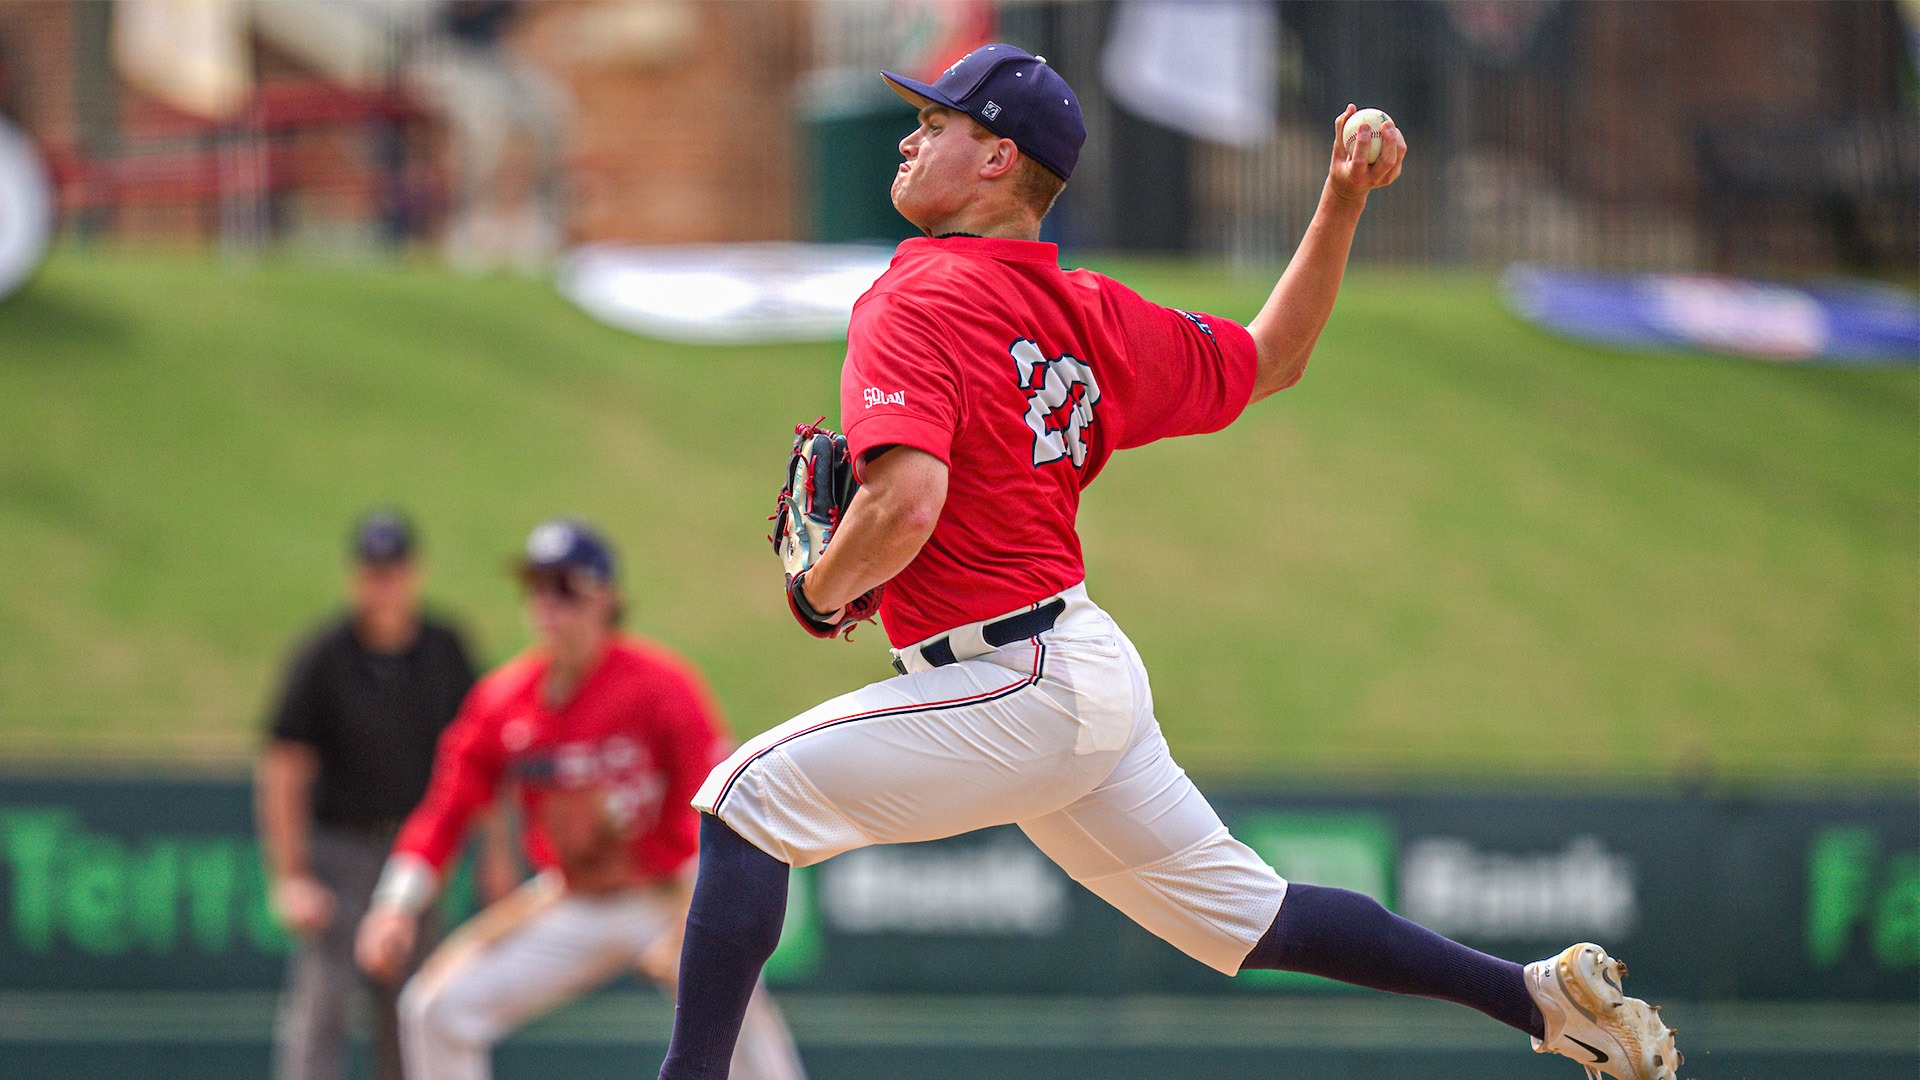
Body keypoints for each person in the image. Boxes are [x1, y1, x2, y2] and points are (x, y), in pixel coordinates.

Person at [657, 44, 1682, 1080]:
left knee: (745, 799)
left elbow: (906, 502)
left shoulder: (914, 296)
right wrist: (1339, 200)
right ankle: (1537, 1000)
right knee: (1252, 917)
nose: (912, 137)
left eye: (940, 123)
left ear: (998, 158)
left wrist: (819, 590)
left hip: (1011, 682)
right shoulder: (1088, 312)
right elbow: (1271, 359)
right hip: (1074, 665)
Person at [354, 519, 806, 1080]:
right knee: (434, 1009)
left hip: (668, 894)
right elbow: (446, 809)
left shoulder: (660, 684)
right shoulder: (506, 700)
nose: (548, 602)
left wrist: (704, 906)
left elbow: (723, 799)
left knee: (741, 1018)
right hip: (574, 898)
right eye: (538, 587)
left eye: (564, 586)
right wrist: (396, 904)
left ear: (605, 597)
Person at [259, 511, 480, 1080]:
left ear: (415, 572)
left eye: (394, 569)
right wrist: (289, 874)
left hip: (417, 852)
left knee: (414, 1009)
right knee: (323, 1007)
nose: (383, 583)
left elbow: (481, 757)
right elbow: (284, 765)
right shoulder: (325, 654)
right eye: (372, 570)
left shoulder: (444, 648)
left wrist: (497, 855)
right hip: (340, 850)